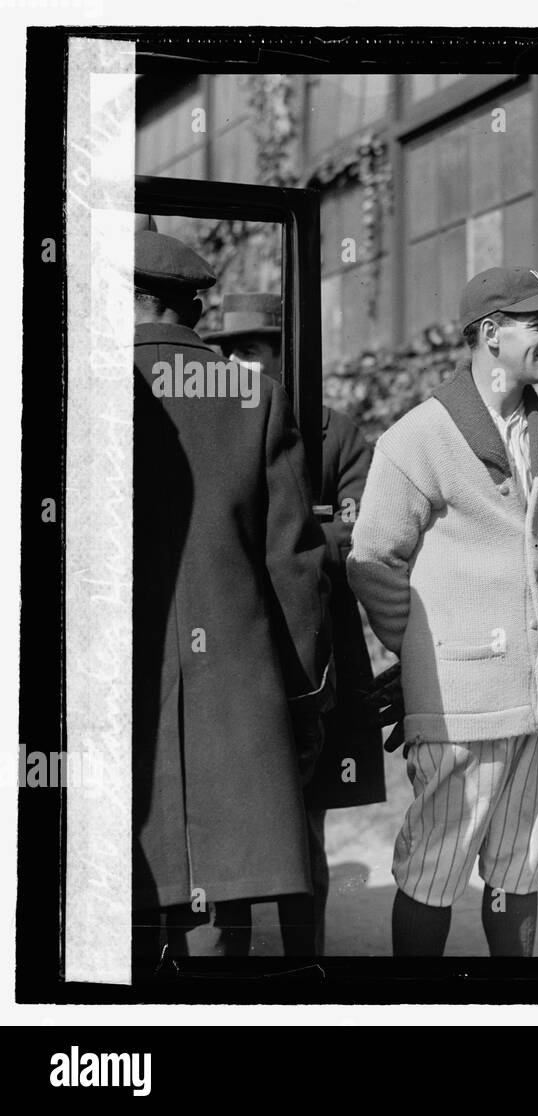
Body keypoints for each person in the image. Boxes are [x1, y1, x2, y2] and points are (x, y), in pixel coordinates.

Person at [347, 266, 538, 957]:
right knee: (434, 873)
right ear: (489, 334)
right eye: (537, 323)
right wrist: (427, 652)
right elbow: (371, 561)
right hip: (461, 707)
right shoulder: (418, 438)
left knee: (520, 871)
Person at [131, 231, 332, 963]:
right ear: (192, 306)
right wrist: (306, 697)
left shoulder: (77, 389)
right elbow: (296, 569)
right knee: (219, 936)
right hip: (236, 717)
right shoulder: (252, 395)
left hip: (115, 721)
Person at [206, 293, 386, 955]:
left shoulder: (333, 434)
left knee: (305, 818)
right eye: (226, 350)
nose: (233, 363)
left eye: (250, 349)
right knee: (231, 808)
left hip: (315, 647)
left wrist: (287, 543)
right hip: (232, 645)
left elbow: (361, 530)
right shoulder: (210, 426)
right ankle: (230, 956)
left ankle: (303, 960)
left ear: (285, 357)